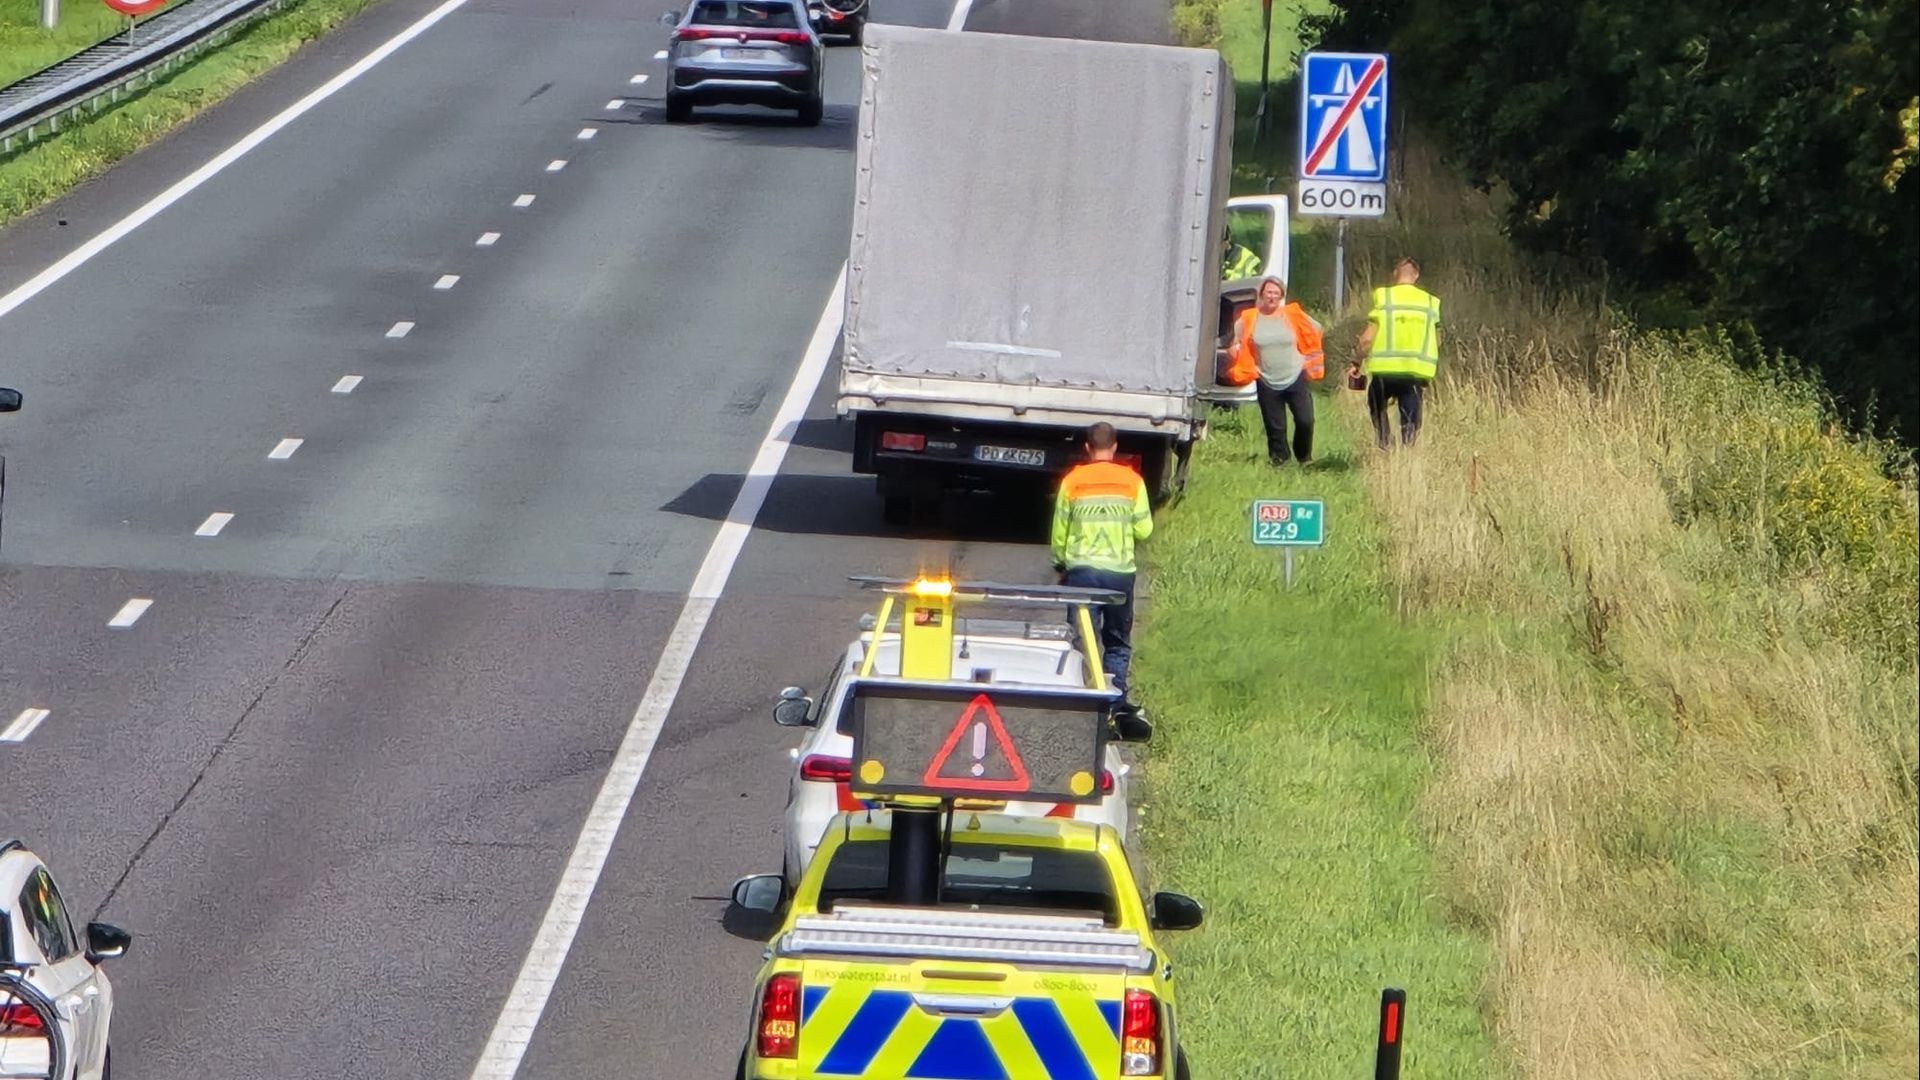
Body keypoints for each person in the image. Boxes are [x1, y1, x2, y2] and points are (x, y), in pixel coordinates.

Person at [1051, 422, 1153, 708]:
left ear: (1087, 448)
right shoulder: (1132, 481)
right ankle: (1114, 703)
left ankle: (1080, 697)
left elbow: (1060, 530)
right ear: (1115, 447)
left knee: (1082, 638)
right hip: (1120, 573)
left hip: (1082, 572)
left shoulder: (1073, 480)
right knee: (1117, 641)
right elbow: (1144, 529)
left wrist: (1061, 563)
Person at [1227, 276, 1324, 465]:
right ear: (1261, 294)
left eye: (1276, 293)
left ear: (1281, 296)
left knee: (1306, 420)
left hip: (1295, 375)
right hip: (1266, 379)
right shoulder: (1248, 318)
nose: (1272, 296)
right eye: (1269, 292)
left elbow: (1317, 330)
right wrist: (1240, 357)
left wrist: (1306, 356)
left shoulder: (1292, 314)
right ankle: (1280, 461)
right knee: (1275, 427)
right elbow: (1235, 343)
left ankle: (1304, 457)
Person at [1349, 256, 1442, 448]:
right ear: (1416, 276)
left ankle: (1384, 444)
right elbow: (1437, 339)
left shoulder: (1384, 297)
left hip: (1384, 372)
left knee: (1377, 406)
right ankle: (1407, 455)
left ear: (1394, 274)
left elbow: (1367, 339)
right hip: (1414, 372)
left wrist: (1356, 362)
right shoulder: (1430, 302)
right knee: (1410, 420)